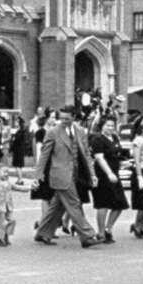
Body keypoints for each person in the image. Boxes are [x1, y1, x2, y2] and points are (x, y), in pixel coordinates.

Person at [31, 105, 102, 248]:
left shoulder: (81, 131)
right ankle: (87, 236)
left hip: (75, 175)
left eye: (67, 118)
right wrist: (37, 176)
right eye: (61, 118)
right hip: (60, 175)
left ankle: (43, 233)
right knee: (74, 204)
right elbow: (44, 155)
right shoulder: (53, 132)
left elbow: (86, 154)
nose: (63, 121)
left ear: (74, 118)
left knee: (57, 207)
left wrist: (92, 174)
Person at [88, 115, 127, 244]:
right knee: (103, 203)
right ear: (101, 126)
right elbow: (99, 158)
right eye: (107, 125)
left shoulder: (115, 138)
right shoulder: (98, 139)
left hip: (115, 174)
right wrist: (109, 173)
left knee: (120, 203)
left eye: (112, 125)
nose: (110, 128)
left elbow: (117, 155)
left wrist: (124, 163)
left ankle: (108, 228)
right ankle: (100, 232)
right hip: (103, 175)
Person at [0, 163, 29, 246]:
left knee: (11, 221)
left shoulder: (8, 183)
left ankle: (6, 235)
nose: (6, 174)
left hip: (8, 207)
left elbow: (18, 188)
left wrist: (29, 188)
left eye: (7, 172)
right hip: (0, 208)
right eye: (4, 172)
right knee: (0, 223)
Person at [9, 115, 31, 183]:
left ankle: (20, 179)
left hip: (18, 150)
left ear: (19, 122)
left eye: (17, 121)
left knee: (18, 165)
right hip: (18, 149)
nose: (15, 122)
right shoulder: (19, 130)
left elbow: (17, 140)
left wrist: (13, 138)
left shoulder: (21, 131)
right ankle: (19, 179)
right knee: (19, 166)